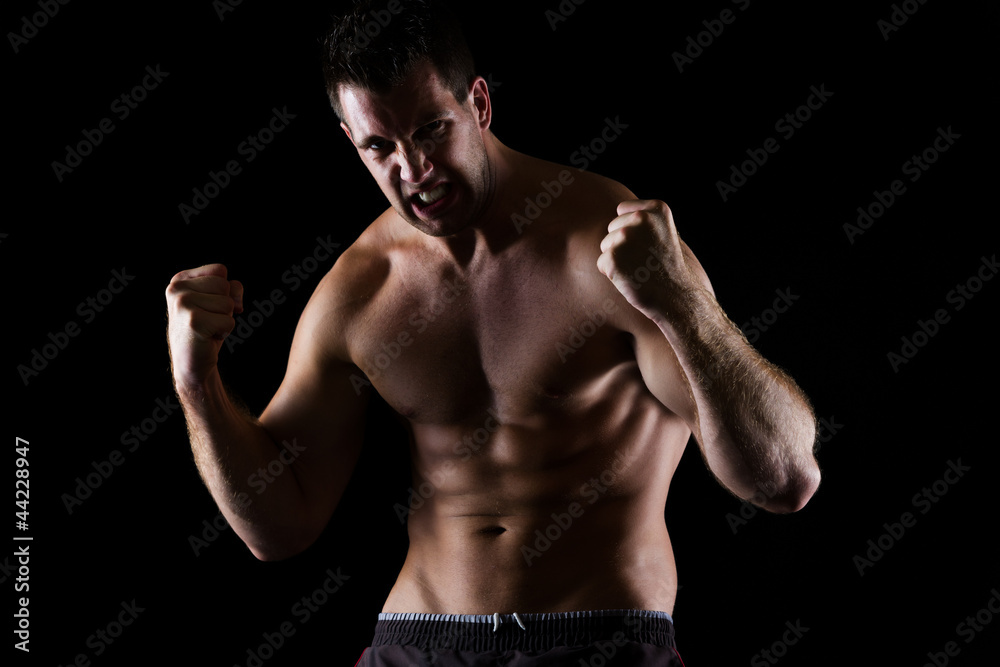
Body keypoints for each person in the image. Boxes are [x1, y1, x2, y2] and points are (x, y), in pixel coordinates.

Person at [165, 1, 821, 664]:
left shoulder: (602, 246)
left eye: (431, 130)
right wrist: (198, 385)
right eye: (380, 146)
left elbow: (784, 480)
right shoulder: (360, 290)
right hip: (418, 643)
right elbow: (279, 525)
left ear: (478, 103)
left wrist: (684, 306)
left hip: (598, 637)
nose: (413, 169)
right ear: (351, 142)